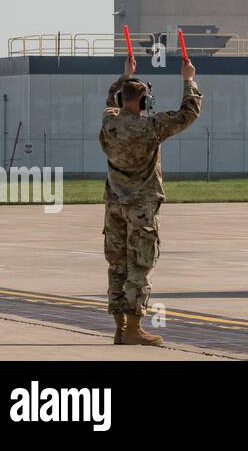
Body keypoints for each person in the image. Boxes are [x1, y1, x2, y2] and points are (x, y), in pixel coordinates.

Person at [99, 52, 201, 345]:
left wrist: (125, 77)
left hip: (114, 205)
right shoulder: (151, 127)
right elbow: (188, 114)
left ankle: (119, 328)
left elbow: (110, 100)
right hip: (141, 207)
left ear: (121, 101)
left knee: (117, 264)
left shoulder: (109, 123)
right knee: (140, 265)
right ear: (143, 103)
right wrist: (188, 80)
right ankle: (133, 328)